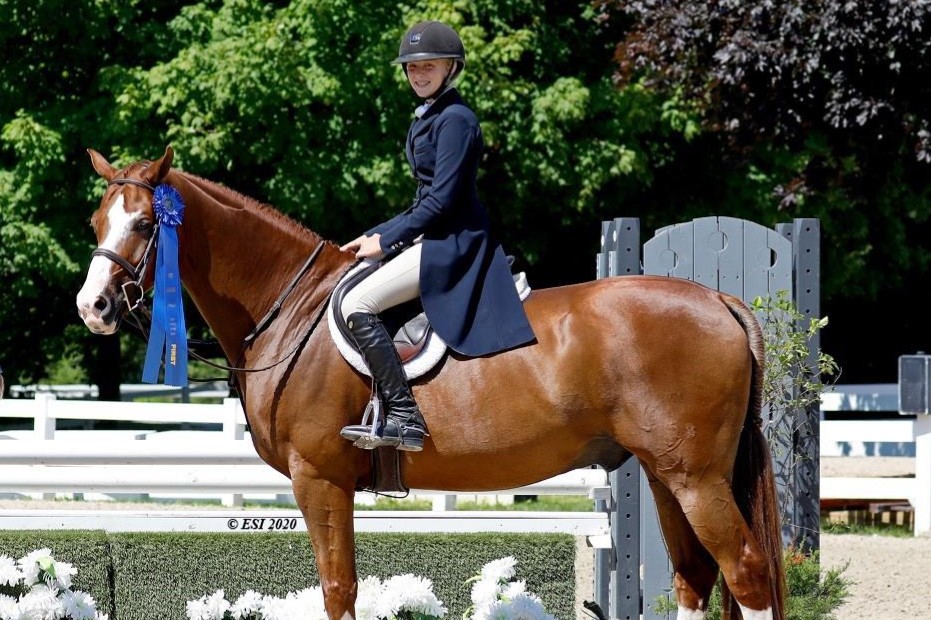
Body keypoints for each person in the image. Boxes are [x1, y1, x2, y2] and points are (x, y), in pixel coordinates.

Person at [338, 20, 536, 452]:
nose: (418, 74)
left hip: (454, 241)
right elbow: (421, 202)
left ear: (451, 67)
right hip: (435, 233)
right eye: (412, 67)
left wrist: (387, 243)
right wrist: (375, 233)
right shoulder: (430, 117)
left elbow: (442, 202)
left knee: (357, 303)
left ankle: (405, 417)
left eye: (428, 65)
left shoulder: (456, 120)